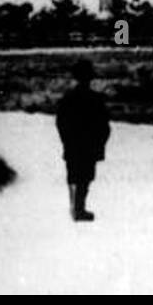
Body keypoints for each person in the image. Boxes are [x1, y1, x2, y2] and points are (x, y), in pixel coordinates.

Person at [55, 58, 110, 222]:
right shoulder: (96, 99)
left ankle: (75, 207)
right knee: (85, 178)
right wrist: (99, 143)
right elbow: (104, 126)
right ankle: (79, 209)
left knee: (73, 176)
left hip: (73, 145)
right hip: (89, 147)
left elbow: (60, 123)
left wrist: (66, 141)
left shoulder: (67, 98)